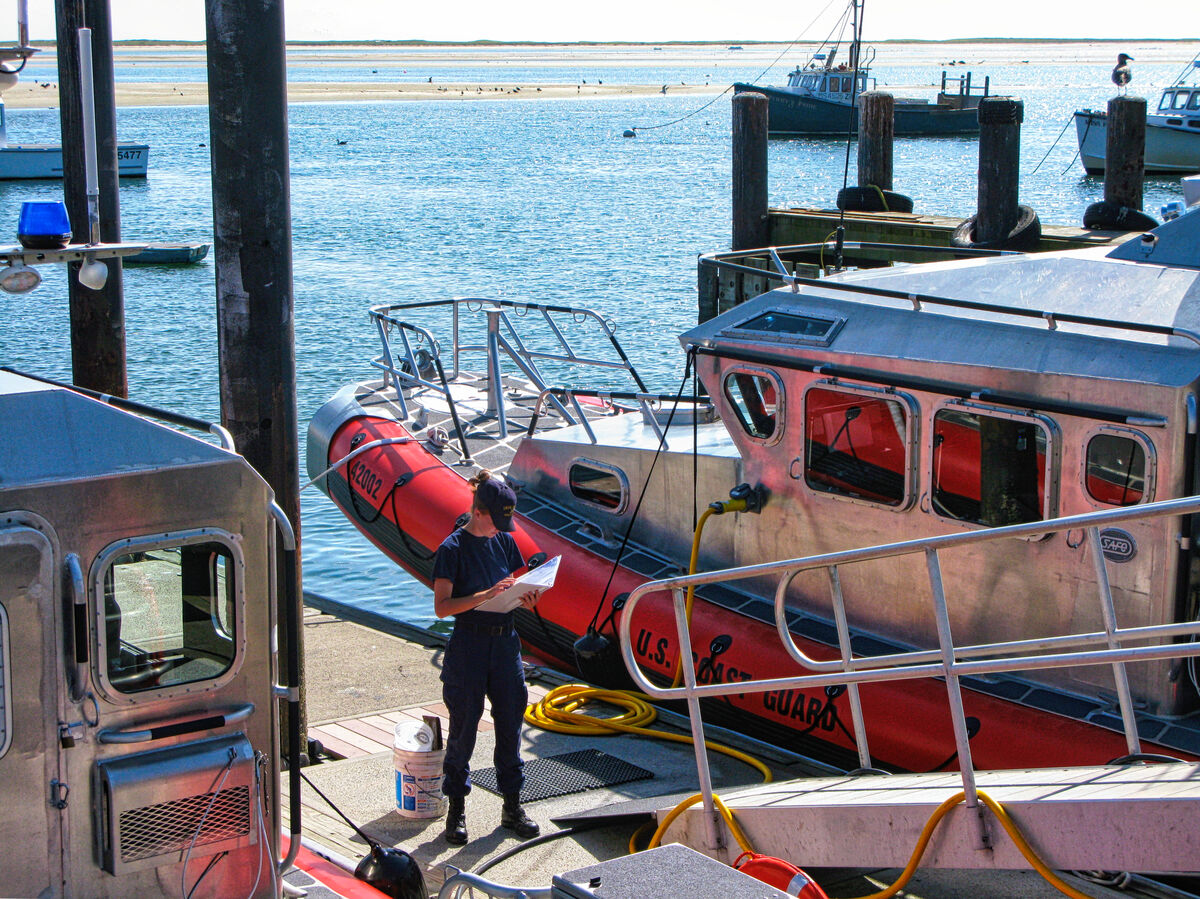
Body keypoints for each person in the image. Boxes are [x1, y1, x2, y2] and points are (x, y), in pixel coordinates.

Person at [432, 470, 541, 846]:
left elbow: (507, 588)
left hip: (505, 643)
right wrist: (484, 594)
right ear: (479, 512)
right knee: (464, 728)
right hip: (469, 646)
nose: (502, 528)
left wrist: (523, 596)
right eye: (498, 519)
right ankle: (456, 810)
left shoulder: (504, 542)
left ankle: (512, 806)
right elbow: (442, 608)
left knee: (510, 724)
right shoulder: (452, 549)